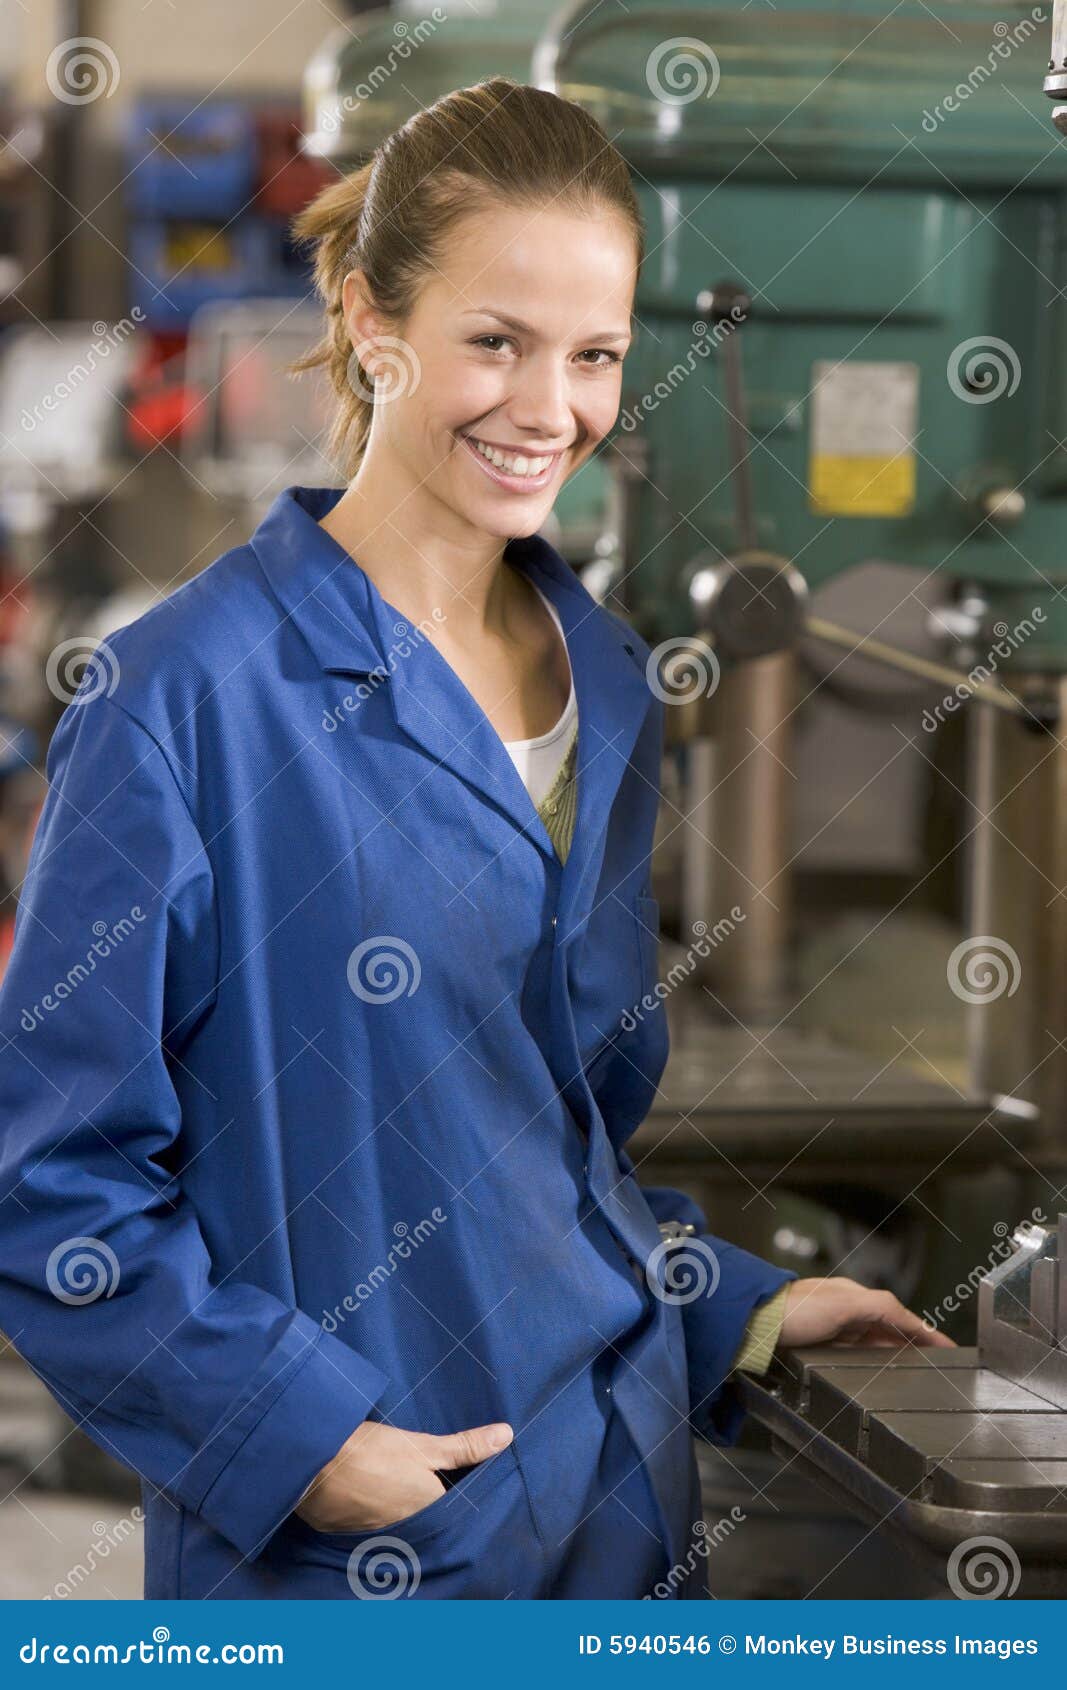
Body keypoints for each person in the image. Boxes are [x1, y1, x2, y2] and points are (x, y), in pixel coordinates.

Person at [0, 78, 953, 1602]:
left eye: (593, 357)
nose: (548, 409)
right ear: (375, 321)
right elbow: (49, 1187)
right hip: (360, 1549)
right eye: (494, 341)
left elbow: (550, 1143)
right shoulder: (186, 696)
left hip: (622, 1512)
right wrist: (301, 1437)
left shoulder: (613, 683)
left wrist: (738, 1308)